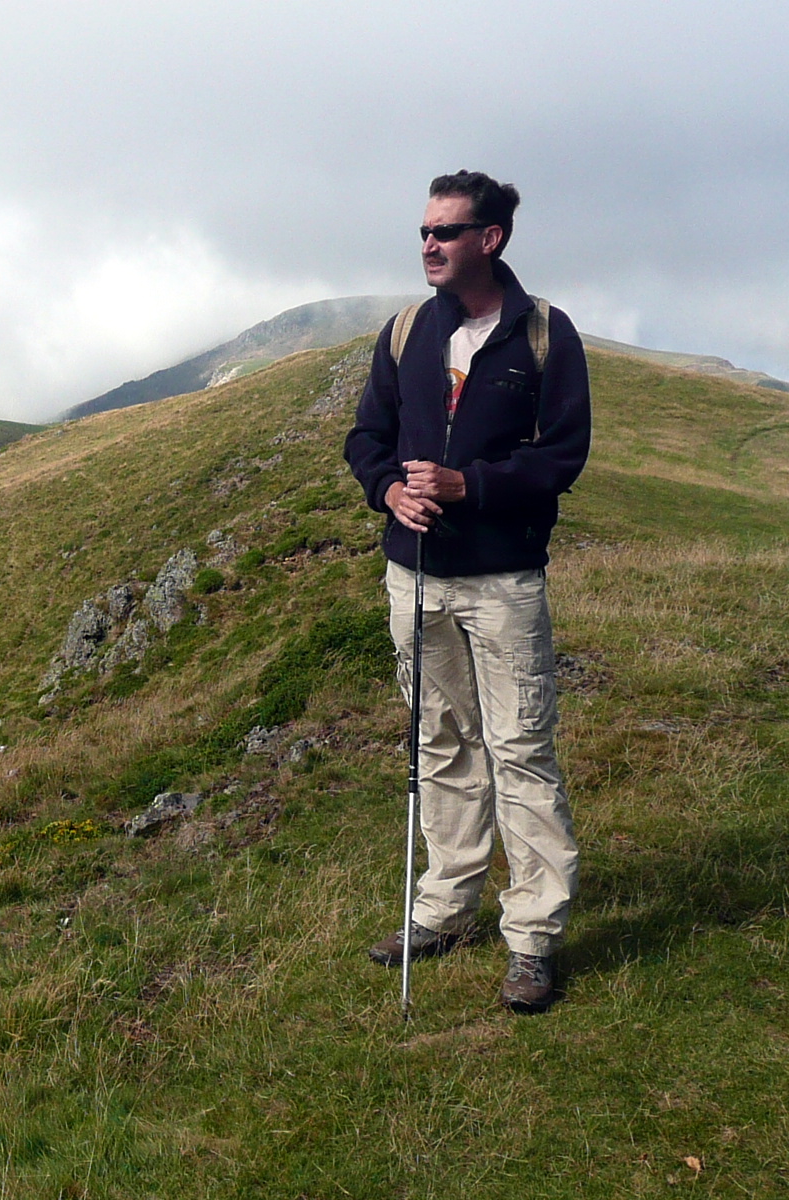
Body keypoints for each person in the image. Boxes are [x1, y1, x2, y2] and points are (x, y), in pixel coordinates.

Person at [343, 170, 591, 1013]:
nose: (428, 246)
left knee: (520, 750)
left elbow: (562, 457)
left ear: (491, 238)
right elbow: (366, 436)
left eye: (446, 232)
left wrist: (465, 488)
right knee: (440, 742)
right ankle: (445, 910)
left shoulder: (546, 336)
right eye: (423, 232)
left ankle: (532, 939)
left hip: (503, 580)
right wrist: (389, 490)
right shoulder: (407, 329)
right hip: (413, 575)